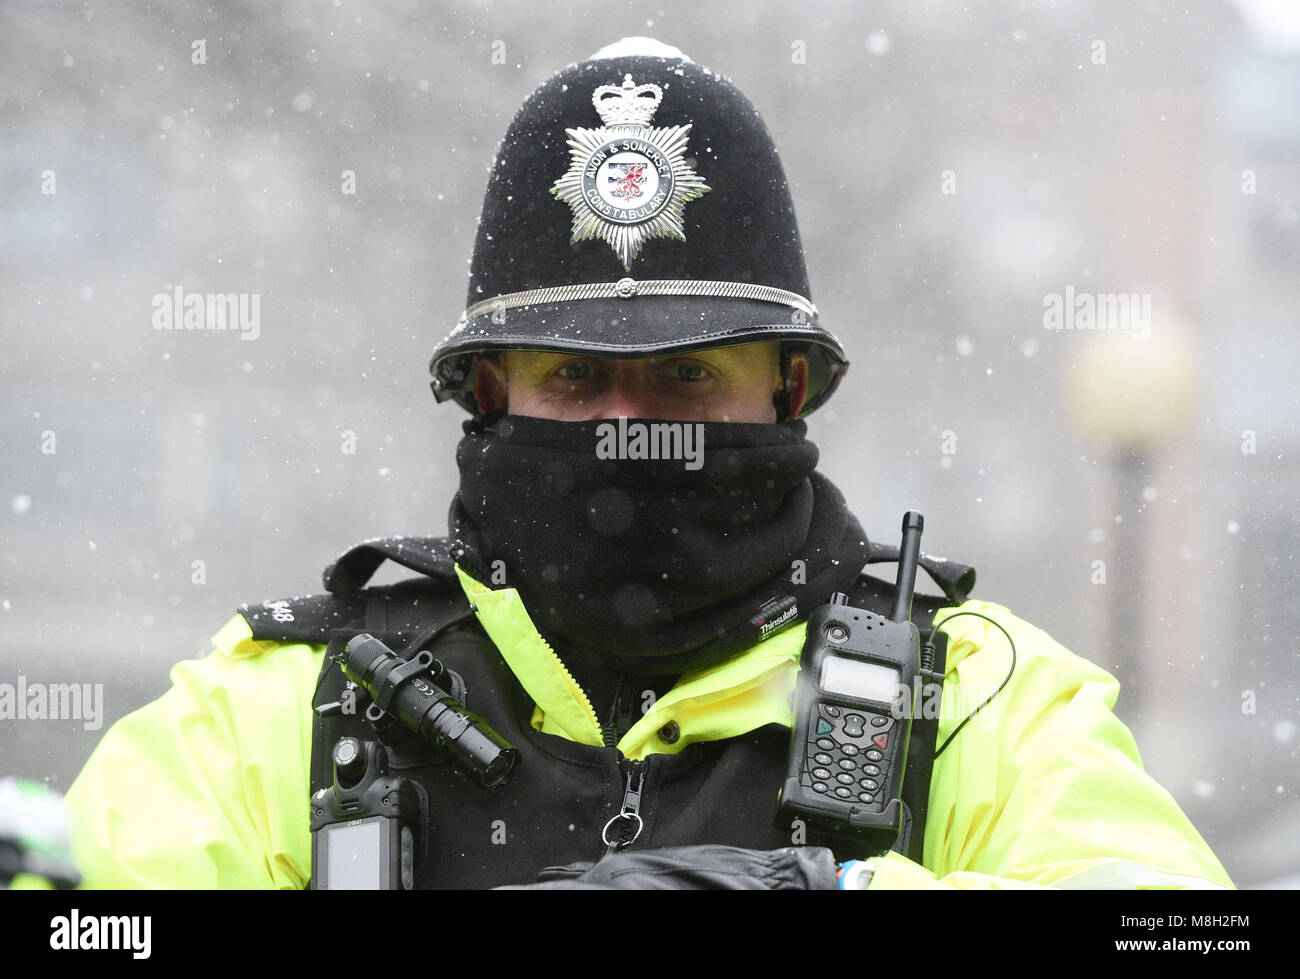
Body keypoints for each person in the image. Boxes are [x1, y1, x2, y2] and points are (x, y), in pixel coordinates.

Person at [63, 37, 1232, 890]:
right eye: (573, 379)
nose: (628, 425)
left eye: (686, 377)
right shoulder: (287, 709)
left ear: (787, 390)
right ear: (485, 395)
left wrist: (835, 891)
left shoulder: (977, 703)